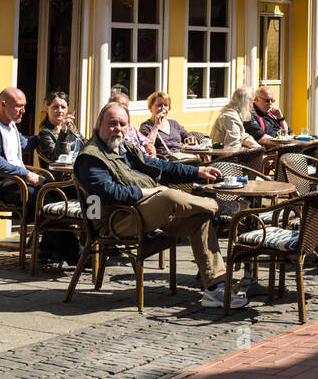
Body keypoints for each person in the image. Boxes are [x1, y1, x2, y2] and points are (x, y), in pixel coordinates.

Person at [74, 102, 247, 310]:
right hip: (118, 220)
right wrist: (149, 192)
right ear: (99, 124)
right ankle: (222, 209)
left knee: (198, 219)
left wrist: (197, 172)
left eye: (122, 124)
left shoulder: (126, 148)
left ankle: (215, 288)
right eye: (112, 123)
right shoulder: (90, 157)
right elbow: (108, 193)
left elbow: (159, 166)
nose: (117, 128)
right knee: (169, 196)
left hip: (146, 211)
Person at [0, 87, 79, 267]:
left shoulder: (11, 127)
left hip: (17, 183)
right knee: (44, 197)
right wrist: (27, 174)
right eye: (19, 106)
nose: (23, 111)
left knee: (68, 190)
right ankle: (75, 253)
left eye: (24, 106)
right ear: (3, 105)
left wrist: (49, 134)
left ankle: (50, 248)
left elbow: (26, 143)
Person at [139, 91, 197, 162]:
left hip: (182, 158)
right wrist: (156, 125)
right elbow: (146, 146)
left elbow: (188, 137)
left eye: (166, 105)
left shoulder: (173, 123)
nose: (163, 108)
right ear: (150, 107)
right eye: (159, 105)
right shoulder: (146, 126)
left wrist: (194, 144)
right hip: (166, 161)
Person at [36, 91, 85, 167]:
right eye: (55, 107)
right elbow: (57, 159)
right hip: (59, 176)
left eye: (63, 107)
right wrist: (63, 133)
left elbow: (84, 144)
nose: (60, 111)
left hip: (77, 172)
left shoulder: (71, 127)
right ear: (47, 108)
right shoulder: (44, 134)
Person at [108, 87, 158, 156]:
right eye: (119, 105)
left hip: (146, 159)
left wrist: (151, 149)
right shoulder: (110, 128)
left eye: (125, 106)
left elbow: (147, 142)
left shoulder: (130, 127)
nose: (122, 108)